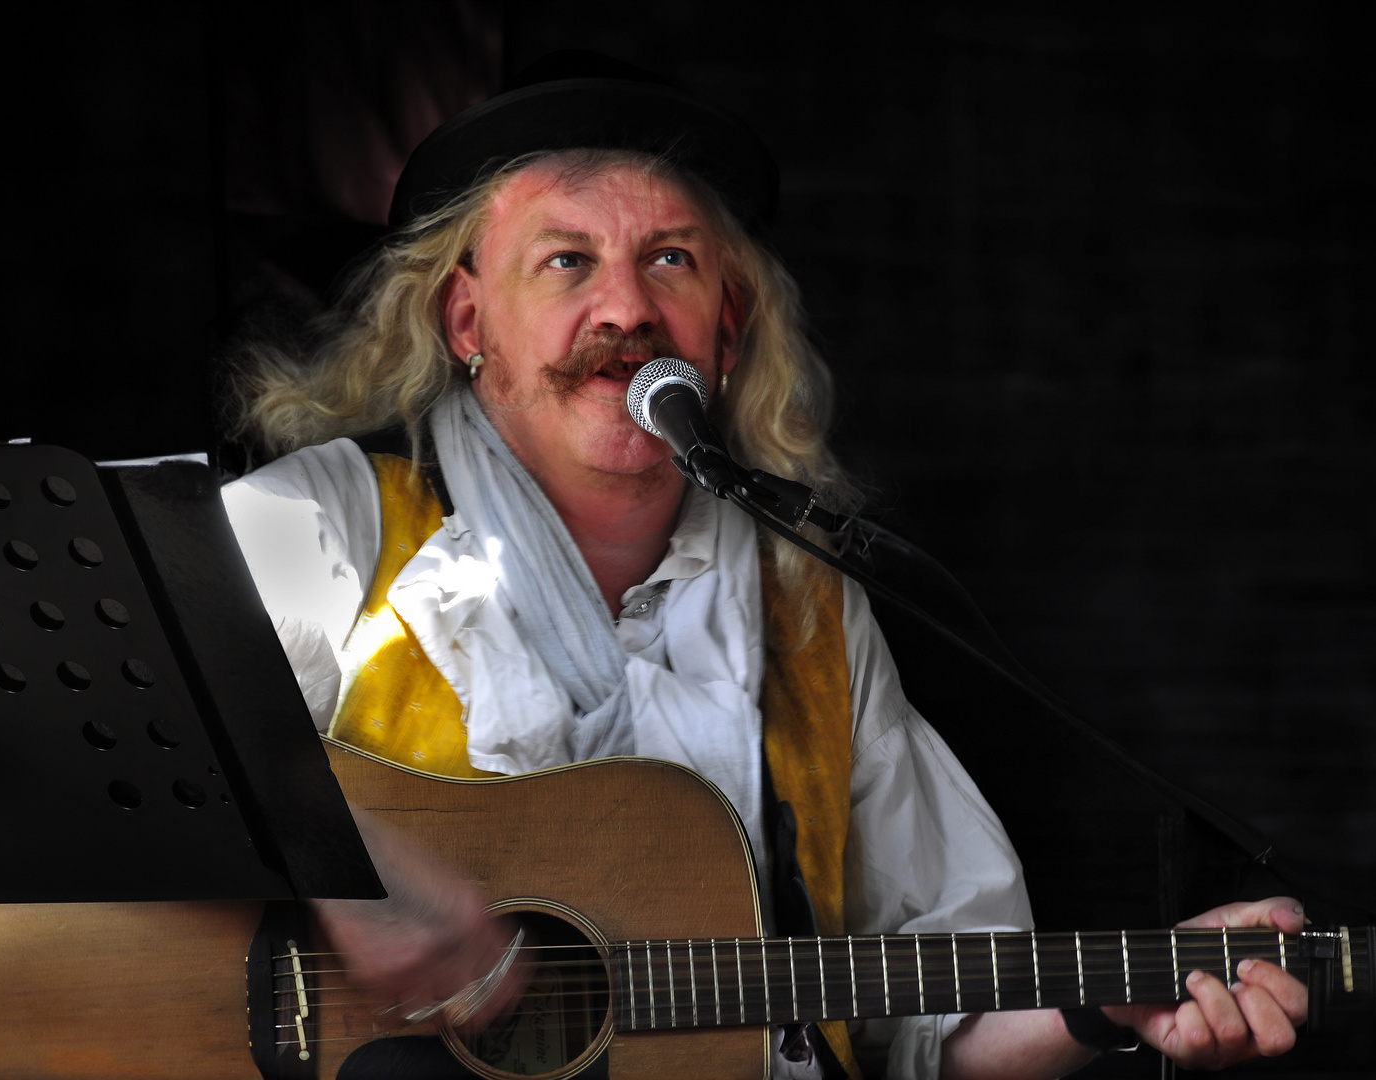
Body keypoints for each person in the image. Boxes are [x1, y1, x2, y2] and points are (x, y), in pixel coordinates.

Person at [222, 54, 1307, 1079]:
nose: (628, 310)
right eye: (567, 261)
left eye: (672, 260)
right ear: (467, 320)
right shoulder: (336, 523)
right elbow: (91, 722)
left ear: (727, 331)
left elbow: (935, 1018)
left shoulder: (811, 614)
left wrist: (1106, 1004)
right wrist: (339, 866)